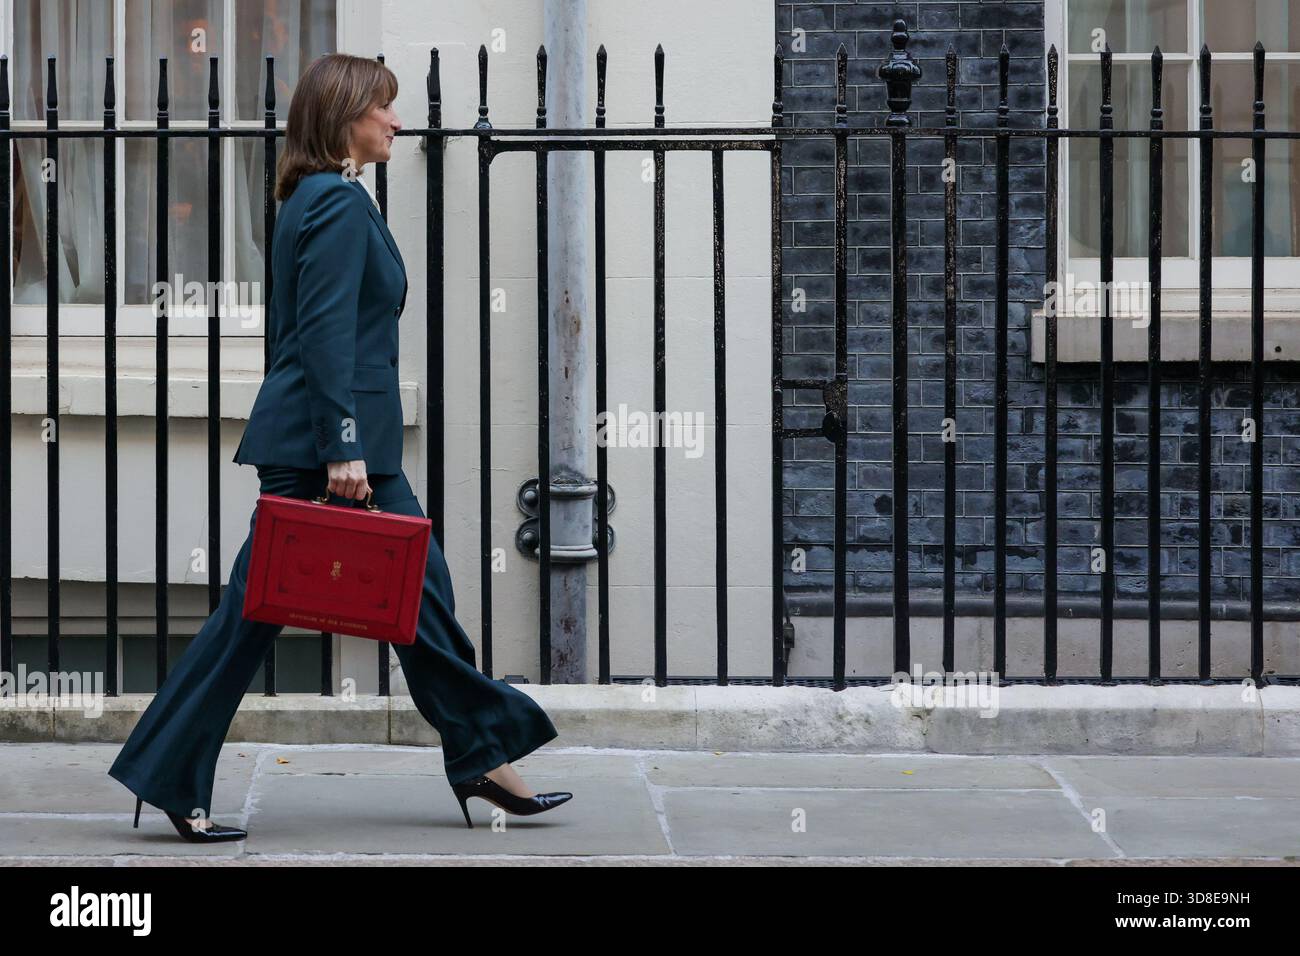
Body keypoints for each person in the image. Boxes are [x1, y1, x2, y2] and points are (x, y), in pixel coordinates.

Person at [107, 53, 571, 842]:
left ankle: (482, 756)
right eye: (382, 108)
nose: (396, 120)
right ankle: (171, 775)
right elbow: (319, 336)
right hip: (334, 453)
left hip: (340, 445)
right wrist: (342, 448)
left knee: (422, 602)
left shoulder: (317, 199)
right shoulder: (336, 204)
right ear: (345, 117)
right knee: (258, 620)